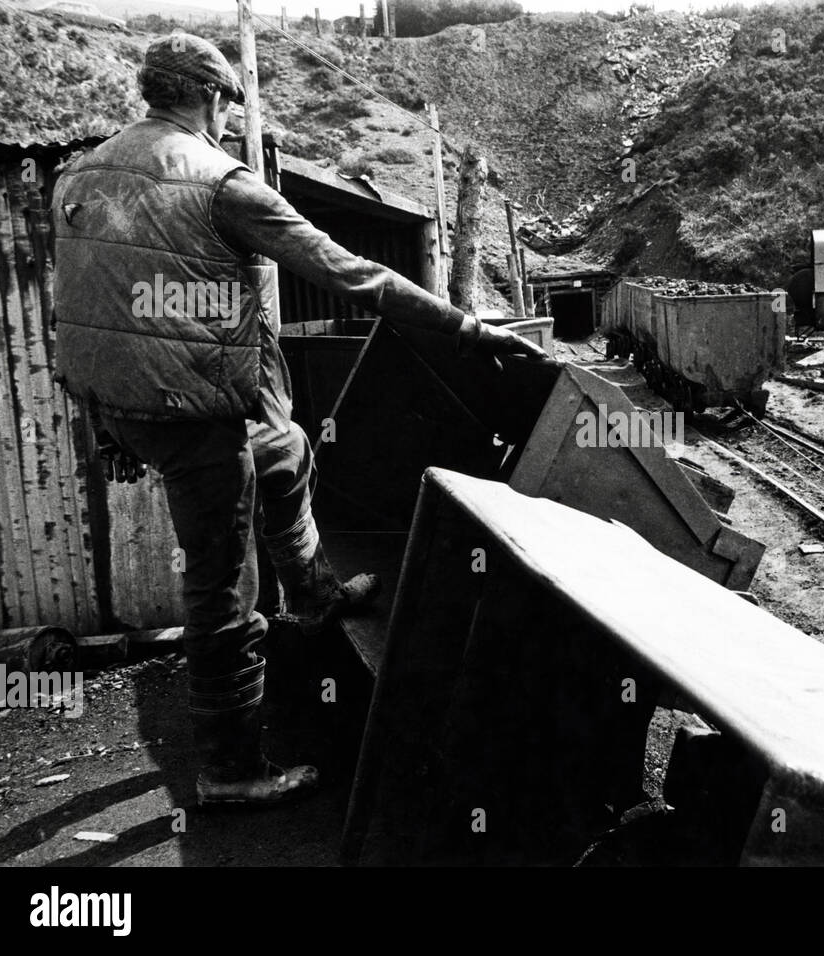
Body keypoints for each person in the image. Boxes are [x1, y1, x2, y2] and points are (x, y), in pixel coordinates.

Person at [51, 33, 545, 808]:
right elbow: (355, 276)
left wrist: (103, 429)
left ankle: (313, 593)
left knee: (285, 449)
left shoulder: (80, 172)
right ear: (212, 99)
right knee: (220, 589)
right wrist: (470, 329)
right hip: (194, 418)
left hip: (123, 407)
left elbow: (80, 312)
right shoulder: (221, 183)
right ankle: (229, 770)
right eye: (224, 107)